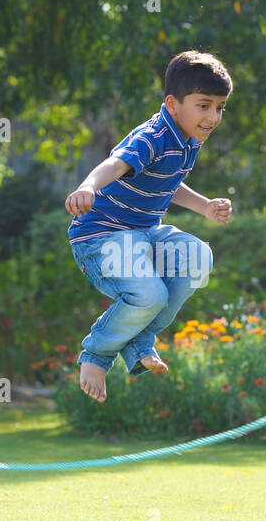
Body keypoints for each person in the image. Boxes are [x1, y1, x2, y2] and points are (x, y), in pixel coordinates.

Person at [64, 51, 234, 402]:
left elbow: (168, 181)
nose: (212, 117)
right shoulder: (153, 136)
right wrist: (87, 187)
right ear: (173, 104)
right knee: (150, 294)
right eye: (204, 105)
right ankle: (96, 355)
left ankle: (140, 340)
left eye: (219, 107)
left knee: (197, 257)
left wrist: (203, 206)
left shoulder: (186, 140)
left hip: (143, 235)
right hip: (101, 236)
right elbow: (114, 164)